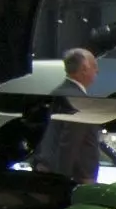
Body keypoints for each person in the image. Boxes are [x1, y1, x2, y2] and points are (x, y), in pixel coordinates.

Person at [31, 47, 103, 181]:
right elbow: (69, 142)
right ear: (84, 68)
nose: (97, 71)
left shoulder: (55, 93)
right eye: (94, 66)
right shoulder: (78, 100)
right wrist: (62, 180)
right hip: (75, 178)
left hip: (46, 170)